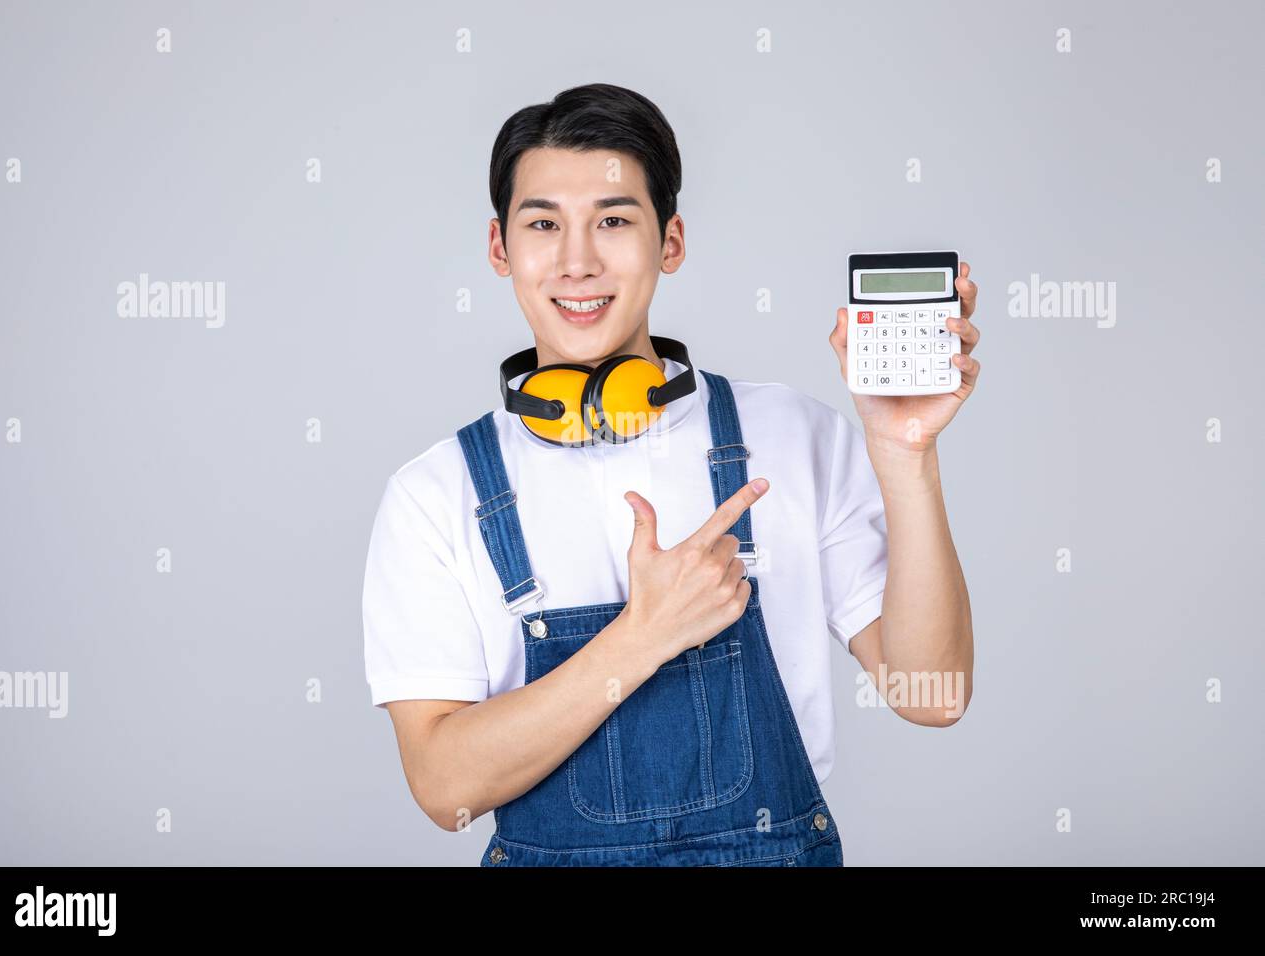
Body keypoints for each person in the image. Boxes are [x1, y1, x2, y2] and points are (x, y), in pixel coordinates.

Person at [362, 83, 980, 866]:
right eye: (544, 224)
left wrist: (906, 455)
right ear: (500, 249)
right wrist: (641, 638)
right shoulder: (435, 494)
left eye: (614, 221)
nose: (578, 260)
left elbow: (935, 695)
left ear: (672, 241)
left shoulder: (792, 436)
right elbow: (445, 789)